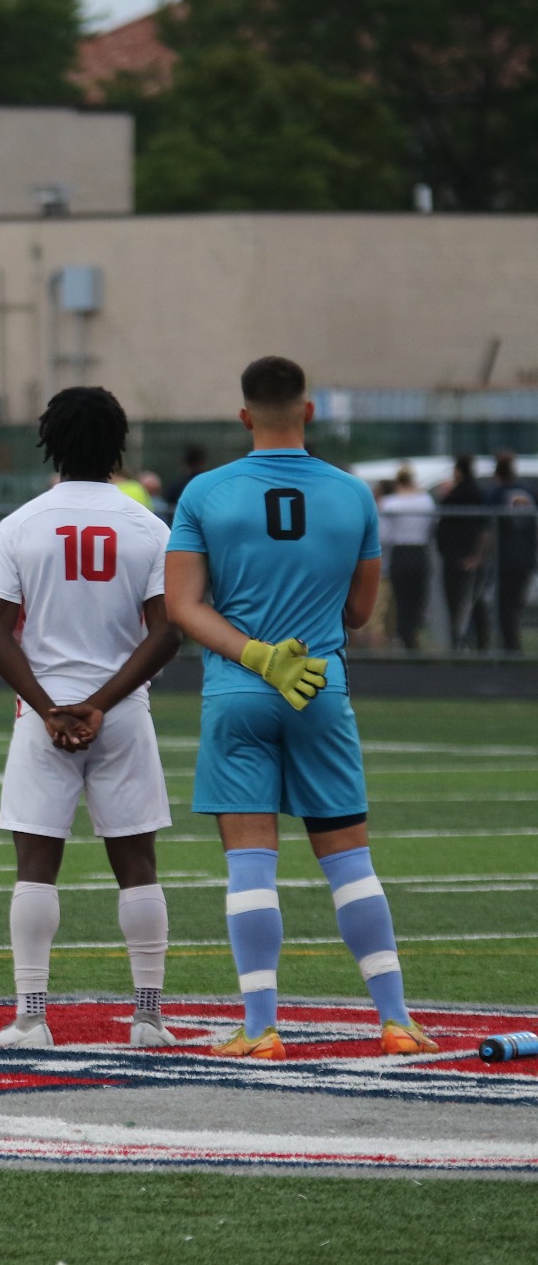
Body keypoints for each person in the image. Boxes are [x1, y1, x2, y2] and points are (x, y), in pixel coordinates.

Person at [164, 355, 436, 1059]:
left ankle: (261, 1027)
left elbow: (182, 606)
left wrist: (255, 654)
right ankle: (395, 1017)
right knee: (349, 857)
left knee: (251, 861)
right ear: (308, 411)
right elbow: (359, 608)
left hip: (239, 690)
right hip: (320, 687)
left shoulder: (205, 492)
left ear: (244, 415)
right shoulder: (353, 494)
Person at [0, 387, 181, 1049]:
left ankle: (32, 1018)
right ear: (119, 444)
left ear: (50, 441)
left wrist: (48, 707)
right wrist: (104, 701)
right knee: (138, 863)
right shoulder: (149, 526)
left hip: (43, 713)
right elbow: (168, 630)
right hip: (122, 712)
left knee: (35, 863)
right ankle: (148, 1018)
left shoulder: (19, 524)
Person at [435, 455, 491, 650]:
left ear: (459, 470)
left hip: (457, 557)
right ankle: (478, 644)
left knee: (460, 602)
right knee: (474, 601)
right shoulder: (477, 493)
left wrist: (475, 556)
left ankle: (459, 642)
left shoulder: (458, 496)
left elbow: (482, 529)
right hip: (465, 556)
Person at [378, 465, 434, 651]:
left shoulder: (390, 502)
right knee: (417, 597)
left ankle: (404, 635)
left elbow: (384, 534)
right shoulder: (426, 500)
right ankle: (413, 634)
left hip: (399, 552)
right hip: (419, 551)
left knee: (401, 598)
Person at [488, 453, 535, 653]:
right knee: (516, 602)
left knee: (504, 604)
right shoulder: (528, 491)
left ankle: (510, 646)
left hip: (505, 557)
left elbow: (488, 530)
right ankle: (512, 644)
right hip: (526, 555)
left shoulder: (497, 494)